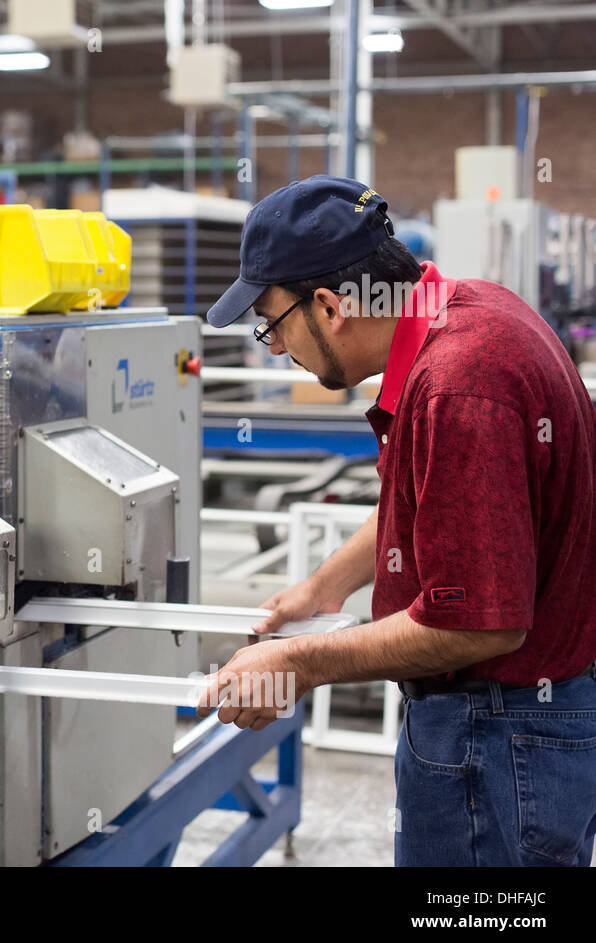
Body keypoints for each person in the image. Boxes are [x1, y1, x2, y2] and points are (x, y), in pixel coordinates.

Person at [197, 174, 596, 866]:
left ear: (328, 306)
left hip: (500, 741)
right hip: (521, 726)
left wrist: (295, 662)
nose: (275, 347)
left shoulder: (460, 384)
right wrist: (323, 587)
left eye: (272, 323)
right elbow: (428, 497)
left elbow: (480, 622)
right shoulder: (468, 309)